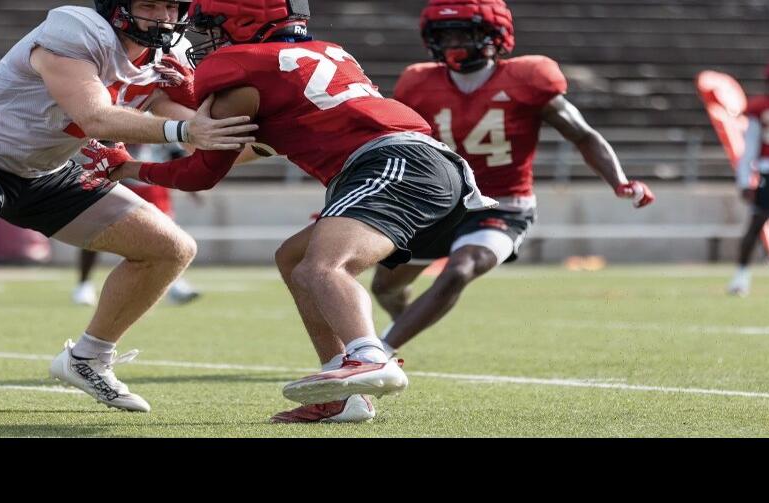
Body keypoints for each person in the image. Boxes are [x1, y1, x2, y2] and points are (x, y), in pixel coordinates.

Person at [94, 0, 497, 423]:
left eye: (216, 28)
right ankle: (346, 395)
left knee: (322, 267)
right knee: (295, 258)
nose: (211, 40)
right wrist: (185, 101)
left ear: (246, 22)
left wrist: (129, 167)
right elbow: (240, 148)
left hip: (394, 165)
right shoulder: (312, 59)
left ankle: (369, 355)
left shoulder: (242, 72)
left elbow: (202, 169)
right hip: (417, 166)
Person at [0, 0, 257, 419]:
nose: (163, 17)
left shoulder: (168, 58)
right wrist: (186, 128)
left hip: (48, 172)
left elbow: (208, 143)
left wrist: (273, 139)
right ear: (117, 7)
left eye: (171, 7)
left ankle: (88, 358)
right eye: (149, 4)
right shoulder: (76, 31)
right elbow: (96, 119)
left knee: (171, 248)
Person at [370, 0, 656, 356]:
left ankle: (376, 354)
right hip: (437, 204)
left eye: (464, 32)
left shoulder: (527, 79)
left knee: (460, 269)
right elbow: (398, 147)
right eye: (445, 34)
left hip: (502, 205)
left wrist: (619, 181)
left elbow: (583, 135)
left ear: (494, 35)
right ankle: (401, 331)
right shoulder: (418, 83)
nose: (454, 42)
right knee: (384, 288)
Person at [72, 142, 201, 306]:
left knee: (166, 235)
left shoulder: (161, 118)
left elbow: (175, 153)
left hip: (153, 184)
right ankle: (84, 284)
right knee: (97, 231)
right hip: (117, 182)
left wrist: (190, 184)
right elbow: (98, 142)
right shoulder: (116, 117)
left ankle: (174, 283)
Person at [727, 62, 769, 297]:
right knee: (755, 225)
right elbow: (750, 147)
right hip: (768, 174)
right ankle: (741, 277)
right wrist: (745, 182)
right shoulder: (759, 108)